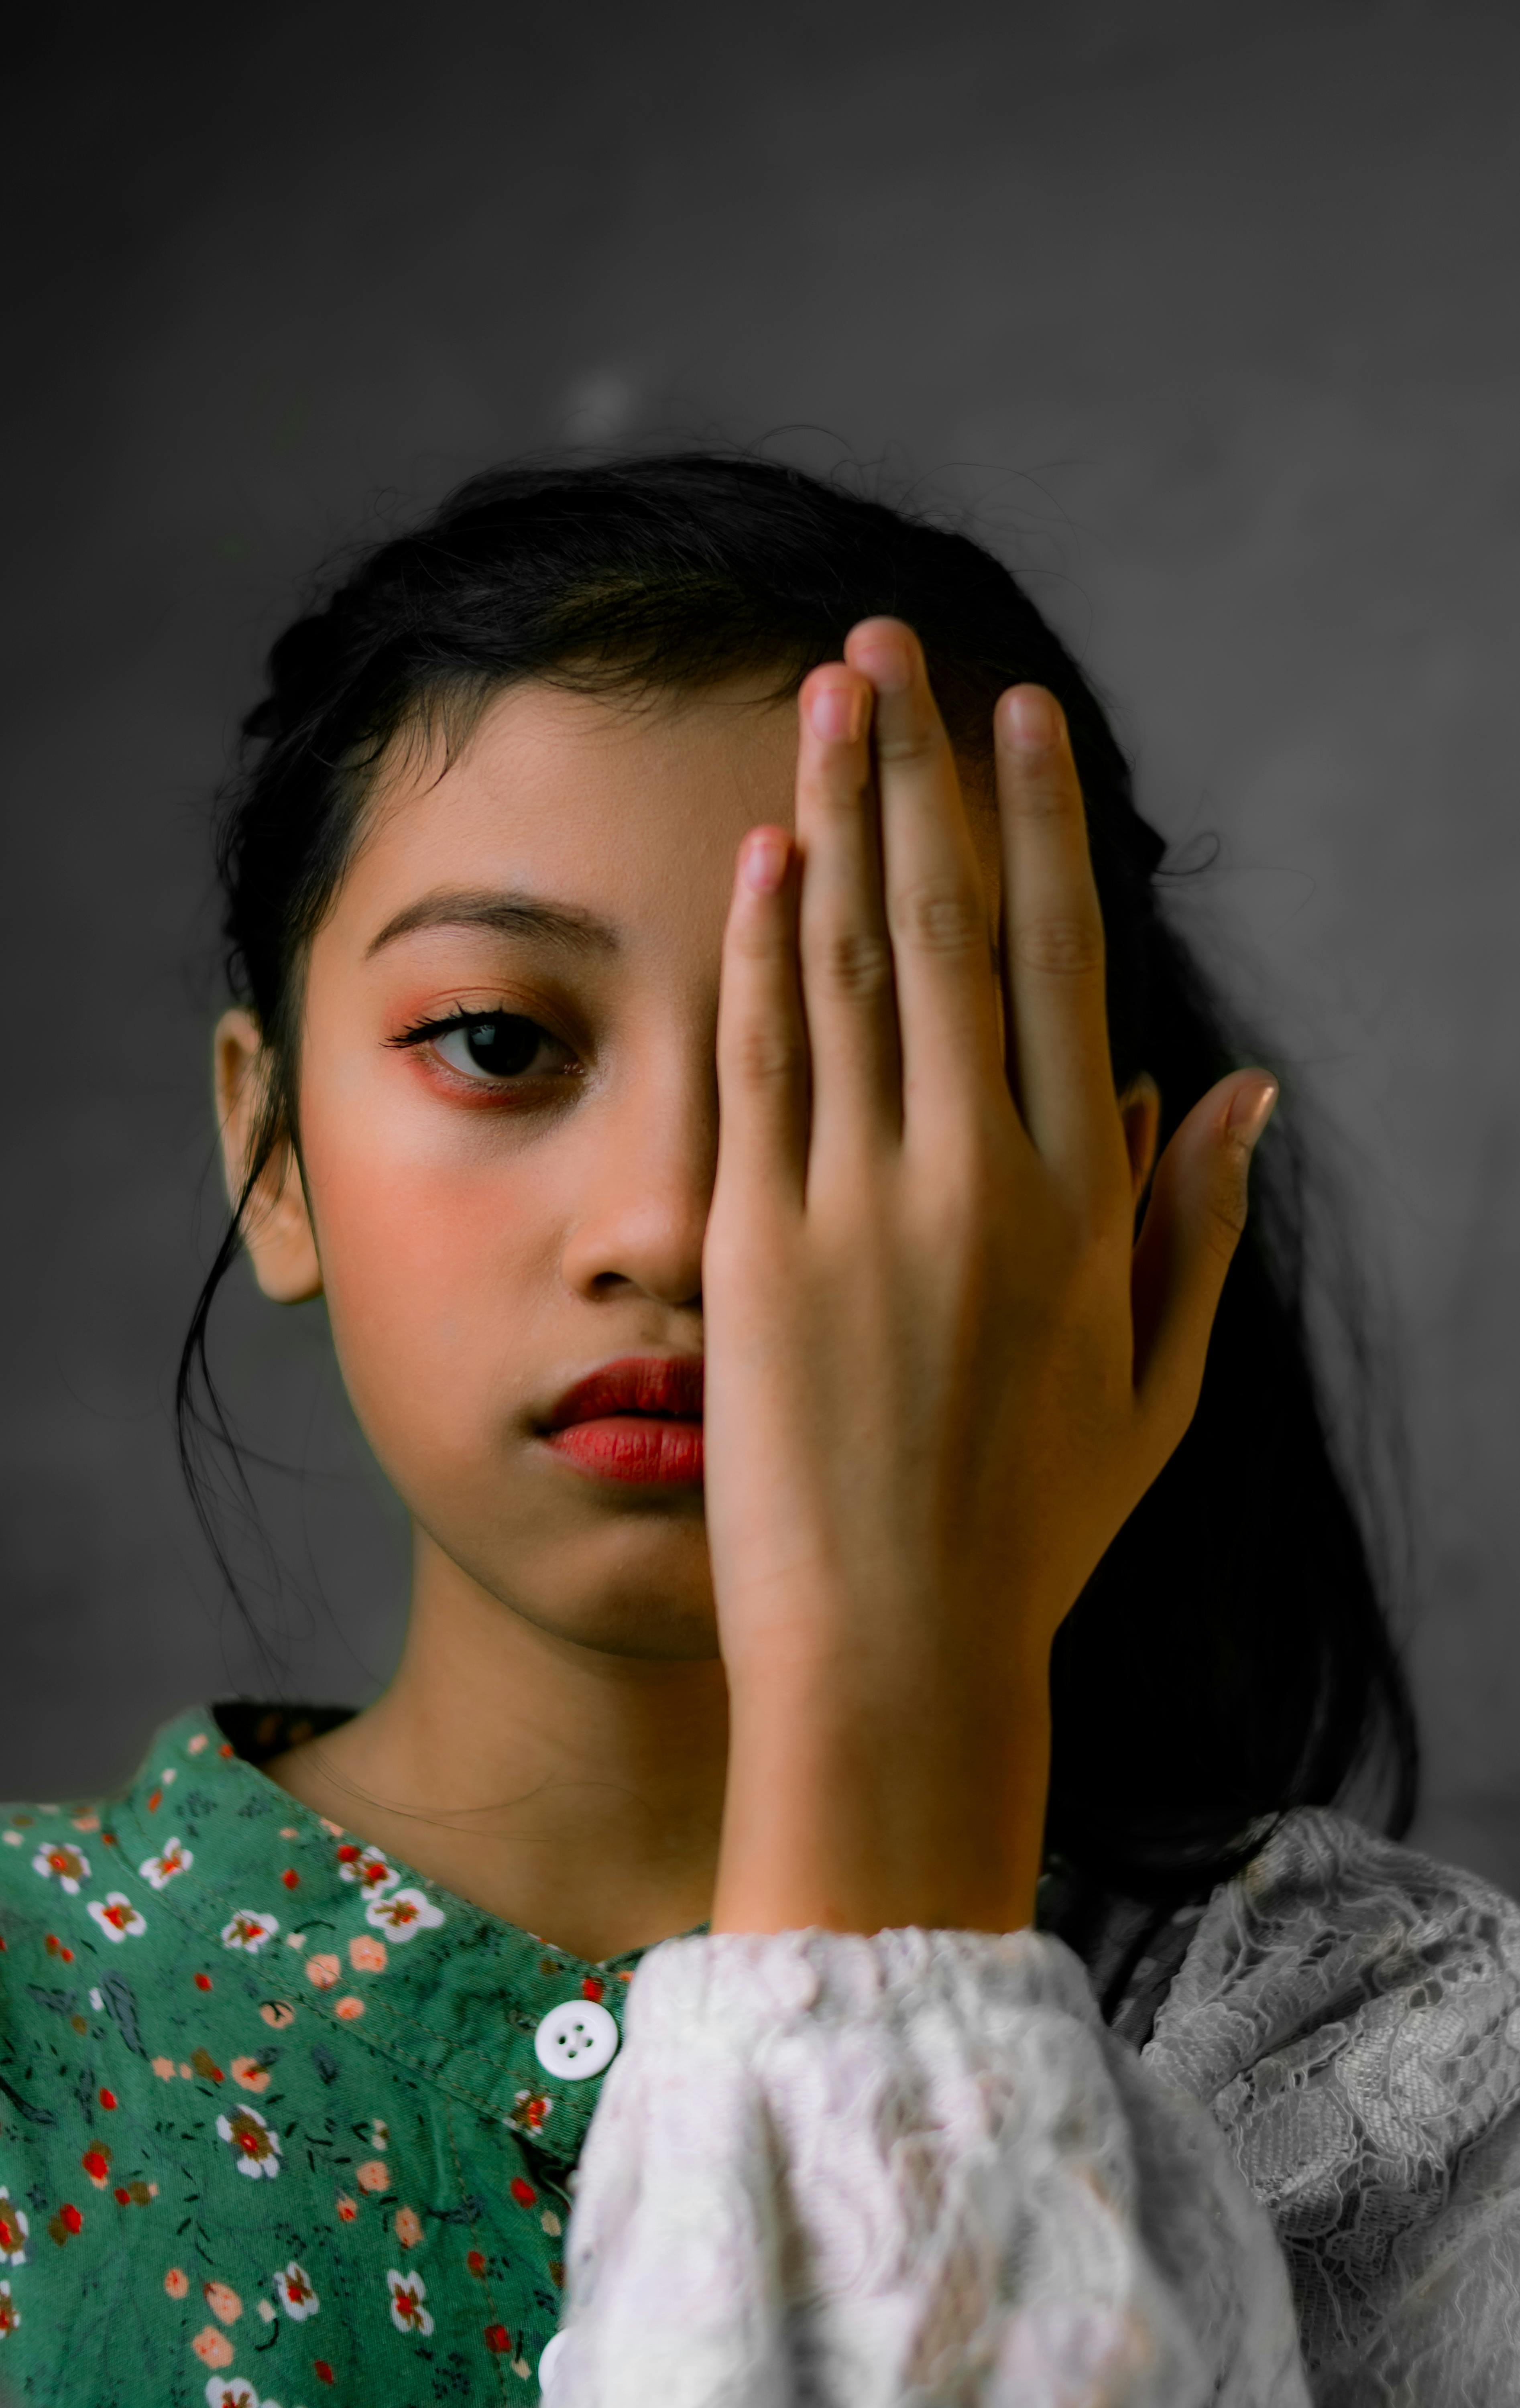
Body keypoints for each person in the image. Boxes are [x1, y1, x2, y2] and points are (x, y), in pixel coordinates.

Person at [0, 453, 1515, 2408]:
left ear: (1088, 1210)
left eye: (862, 1060)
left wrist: (892, 1715)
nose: (665, 1227)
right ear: (271, 1146)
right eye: (498, 1043)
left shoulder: (1419, 2082)